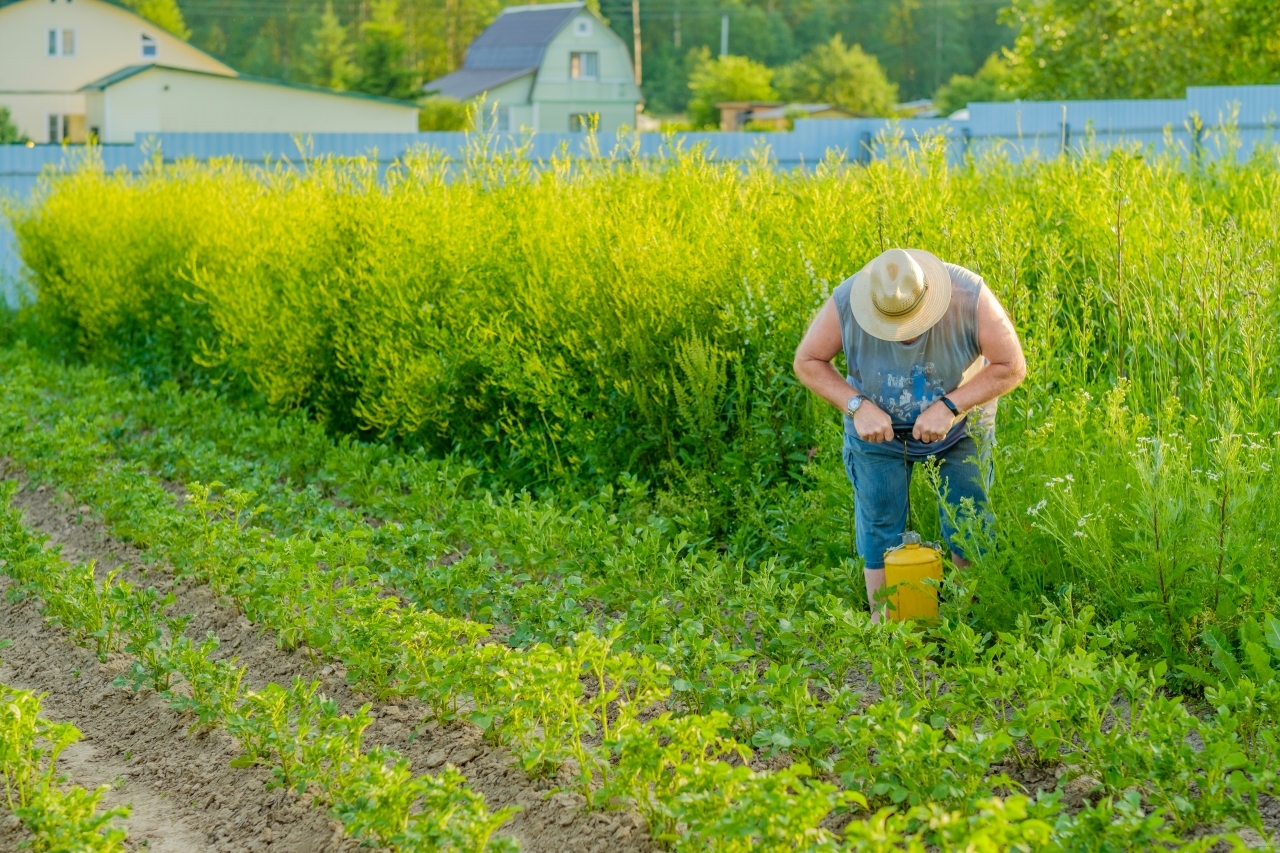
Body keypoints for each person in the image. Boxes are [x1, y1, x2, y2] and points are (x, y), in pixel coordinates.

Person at [793, 248, 1026, 622]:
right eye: (891, 324)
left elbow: (1011, 365)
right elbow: (807, 361)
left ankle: (967, 621)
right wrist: (857, 406)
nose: (902, 334)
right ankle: (883, 627)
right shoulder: (847, 301)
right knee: (880, 520)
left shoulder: (969, 295)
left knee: (967, 518)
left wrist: (950, 407)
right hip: (876, 432)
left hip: (960, 425)